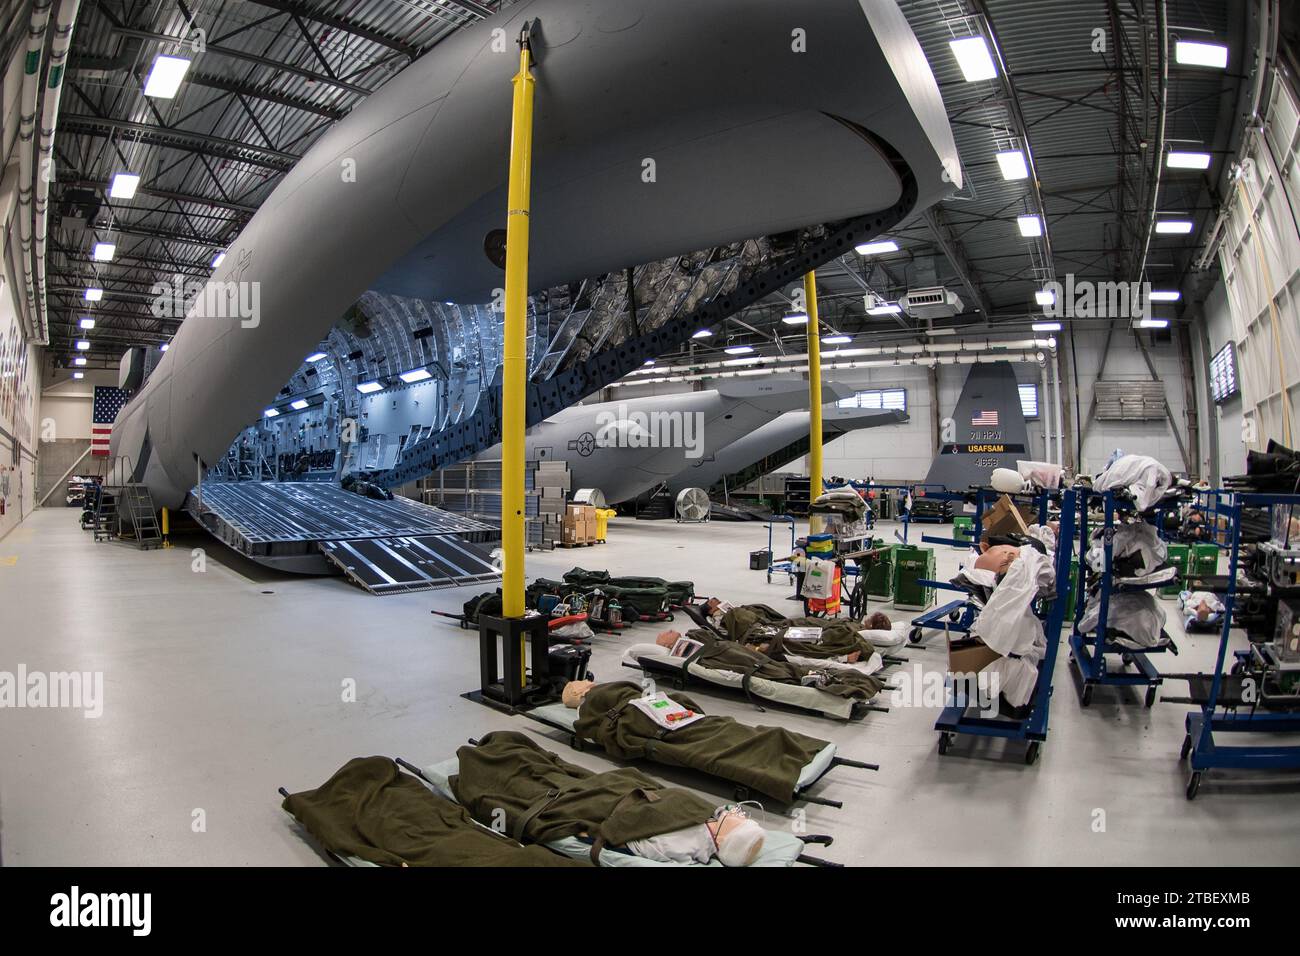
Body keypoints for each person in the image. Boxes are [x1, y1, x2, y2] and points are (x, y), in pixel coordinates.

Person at [562, 679, 832, 803]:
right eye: (579, 685)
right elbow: (594, 727)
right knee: (713, 741)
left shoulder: (612, 687)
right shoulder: (591, 704)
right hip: (650, 723)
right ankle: (780, 761)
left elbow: (644, 693)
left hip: (663, 711)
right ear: (581, 692)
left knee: (722, 728)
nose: (585, 683)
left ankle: (783, 746)